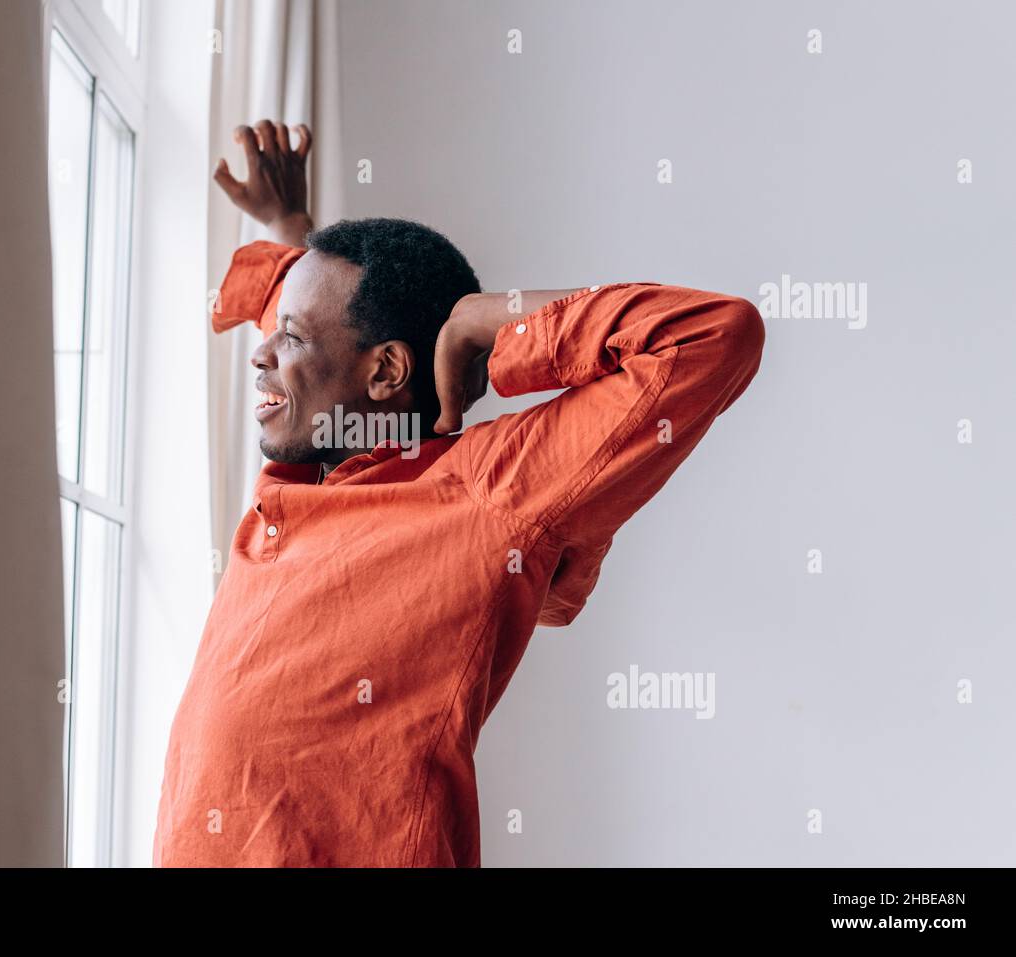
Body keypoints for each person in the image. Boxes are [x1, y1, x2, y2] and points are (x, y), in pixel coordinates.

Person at [153, 119, 765, 867]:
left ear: (384, 375)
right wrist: (290, 227)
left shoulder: (485, 486)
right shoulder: (315, 454)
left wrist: (493, 321)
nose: (262, 351)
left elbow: (715, 334)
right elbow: (324, 315)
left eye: (290, 338)